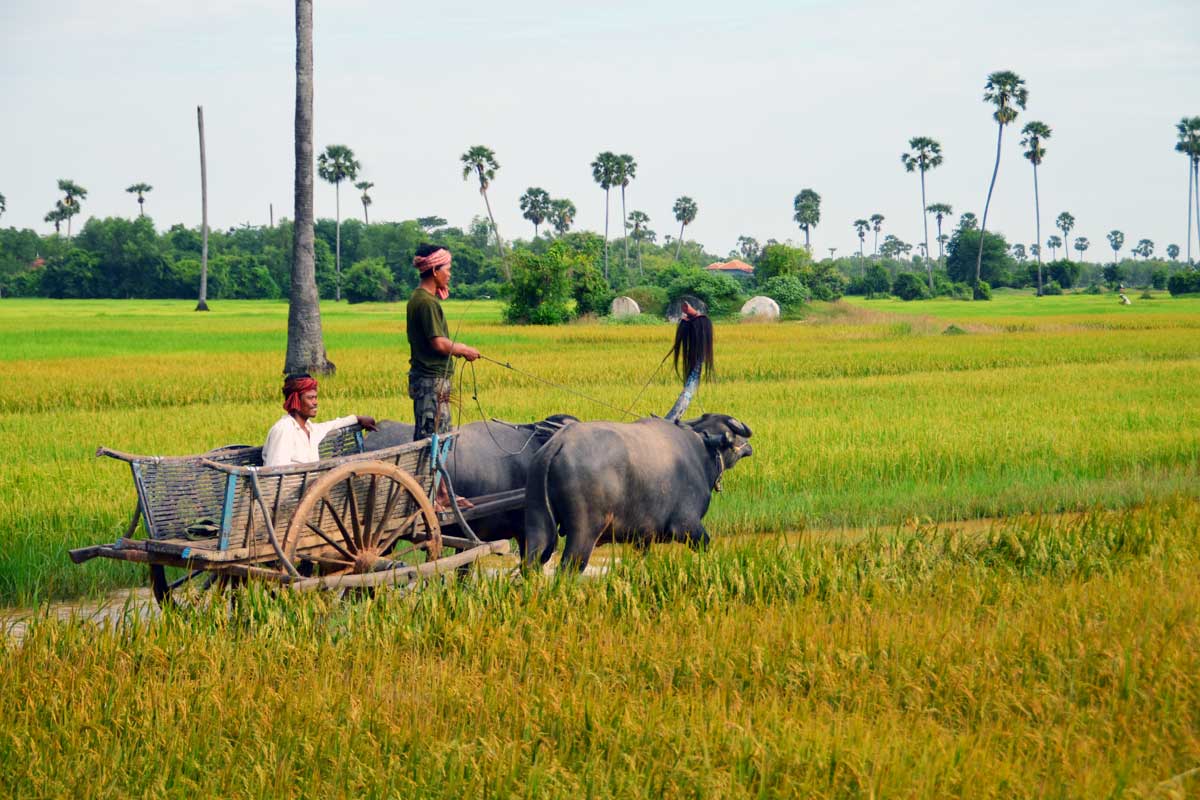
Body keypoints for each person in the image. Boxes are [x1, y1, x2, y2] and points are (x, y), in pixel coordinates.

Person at [406, 244, 480, 441]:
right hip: (431, 382)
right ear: (433, 270)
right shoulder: (426, 302)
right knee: (434, 438)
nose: (449, 274)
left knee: (433, 434)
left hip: (430, 381)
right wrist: (464, 350)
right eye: (447, 269)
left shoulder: (420, 298)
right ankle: (429, 473)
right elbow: (438, 343)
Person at [262, 374, 377, 467]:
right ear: (295, 401)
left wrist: (357, 418)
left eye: (316, 397)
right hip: (293, 494)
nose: (315, 402)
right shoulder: (284, 430)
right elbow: (275, 471)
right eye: (310, 398)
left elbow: (332, 425)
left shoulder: (310, 429)